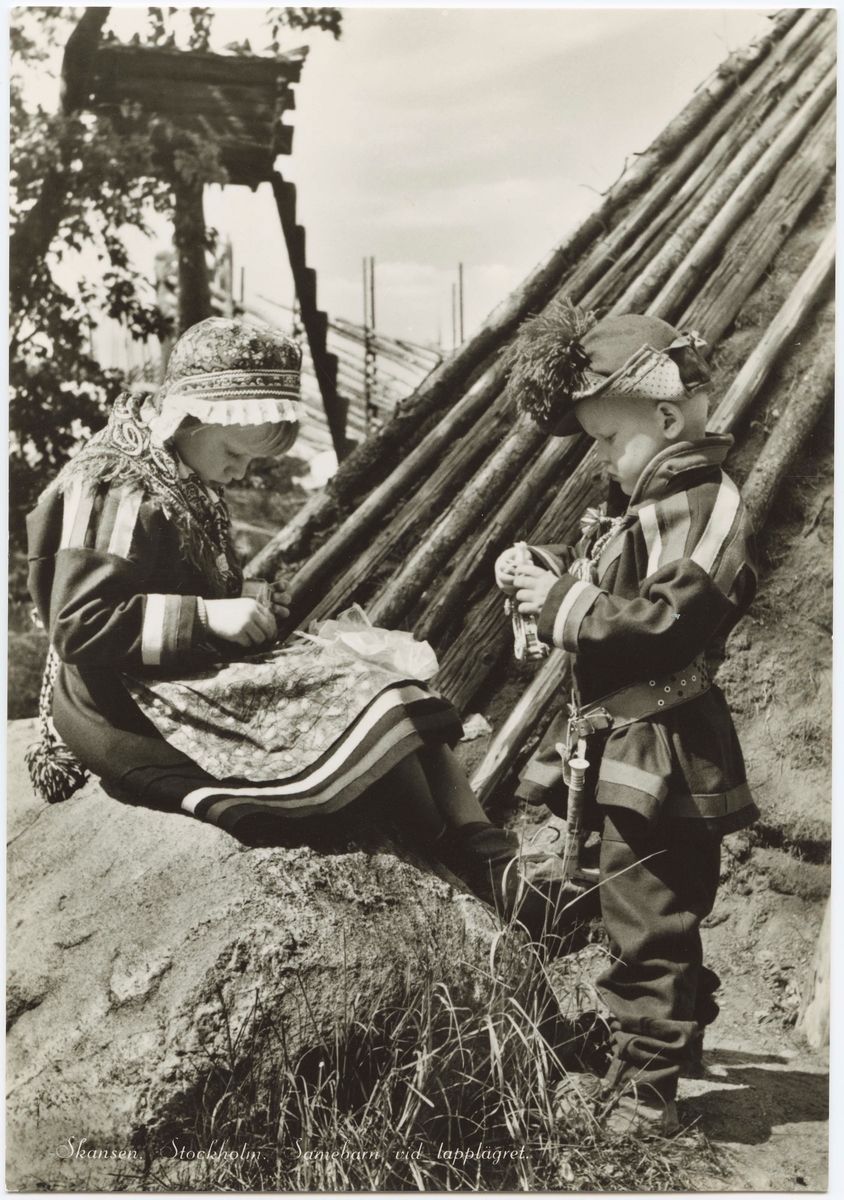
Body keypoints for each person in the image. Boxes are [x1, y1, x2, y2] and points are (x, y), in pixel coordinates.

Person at [26, 317, 534, 914]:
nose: (241, 473)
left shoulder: (184, 471)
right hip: (123, 697)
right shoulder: (118, 483)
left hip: (169, 667)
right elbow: (80, 623)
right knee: (364, 695)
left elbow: (176, 577)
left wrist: (248, 597)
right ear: (194, 415)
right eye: (237, 453)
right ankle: (458, 861)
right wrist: (212, 621)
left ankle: (489, 854)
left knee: (380, 678)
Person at [495, 302, 759, 1135]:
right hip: (621, 742)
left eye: (609, 440)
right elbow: (608, 596)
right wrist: (544, 576)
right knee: (627, 902)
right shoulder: (640, 510)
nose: (601, 459)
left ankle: (646, 1092)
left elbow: (667, 621)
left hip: (668, 747)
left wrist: (568, 602)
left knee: (651, 914)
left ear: (668, 416)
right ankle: (653, 1045)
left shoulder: (708, 506)